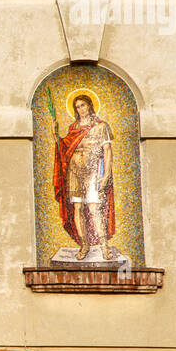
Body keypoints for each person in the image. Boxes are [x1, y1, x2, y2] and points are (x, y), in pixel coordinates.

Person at [53, 93, 118, 262]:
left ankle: (104, 246)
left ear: (89, 105)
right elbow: (65, 147)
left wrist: (106, 175)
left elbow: (107, 151)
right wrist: (55, 134)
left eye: (83, 105)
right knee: (77, 208)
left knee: (94, 208)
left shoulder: (101, 126)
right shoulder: (73, 128)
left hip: (93, 170)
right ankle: (84, 245)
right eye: (77, 107)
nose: (80, 109)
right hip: (74, 171)